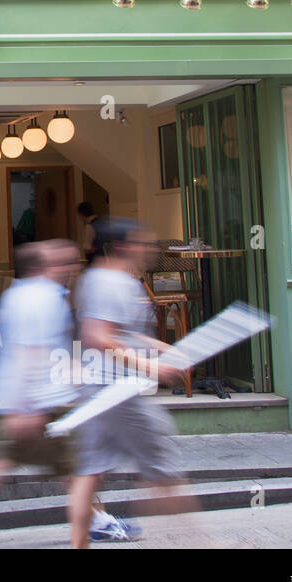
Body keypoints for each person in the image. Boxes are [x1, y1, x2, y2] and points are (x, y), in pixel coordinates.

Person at [0, 239, 130, 547]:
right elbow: (29, 352)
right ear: (42, 267)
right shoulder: (43, 299)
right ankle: (99, 522)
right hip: (42, 400)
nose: (70, 269)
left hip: (28, 397)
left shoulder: (17, 294)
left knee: (9, 460)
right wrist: (26, 407)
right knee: (77, 466)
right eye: (62, 263)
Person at [69, 217, 199, 548]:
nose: (149, 249)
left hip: (103, 389)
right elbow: (98, 336)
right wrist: (150, 366)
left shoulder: (105, 280)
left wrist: (158, 348)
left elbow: (120, 333)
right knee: (162, 470)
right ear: (121, 246)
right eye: (141, 242)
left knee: (90, 471)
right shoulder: (110, 282)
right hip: (119, 392)